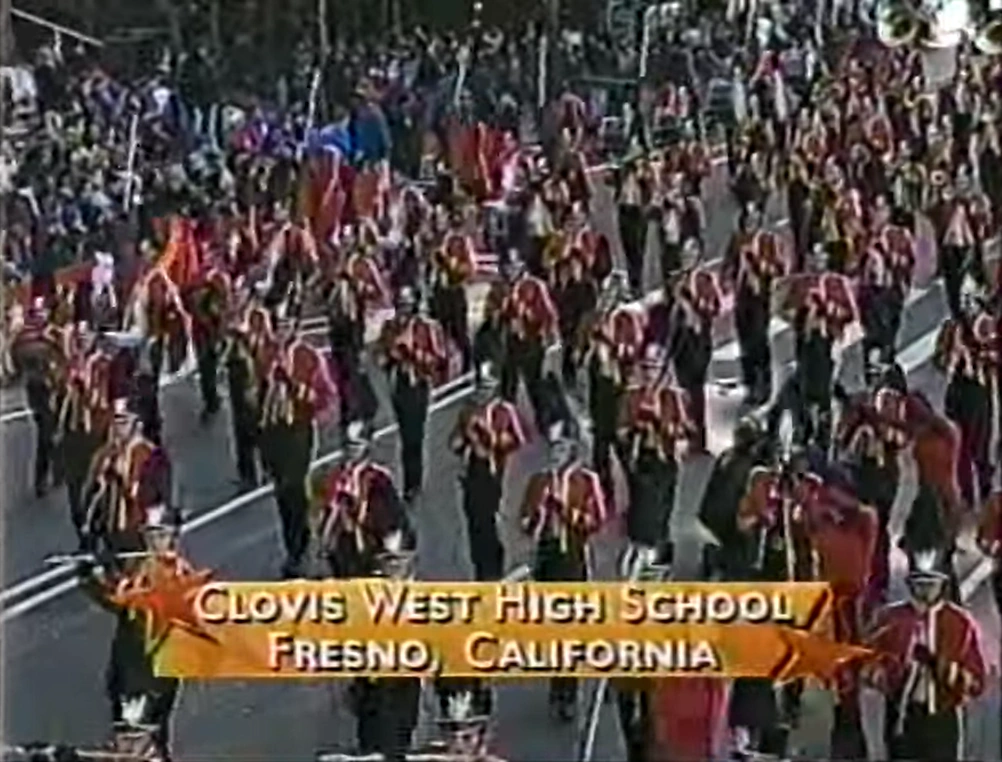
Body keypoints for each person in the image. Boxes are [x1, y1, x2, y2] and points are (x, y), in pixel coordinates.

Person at [76, 504, 186, 762]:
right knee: (140, 744)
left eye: (161, 534)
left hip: (152, 676)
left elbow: (131, 600)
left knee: (138, 746)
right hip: (129, 671)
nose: (155, 542)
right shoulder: (140, 567)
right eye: (150, 535)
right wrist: (90, 577)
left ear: (174, 536)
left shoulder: (175, 573)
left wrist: (105, 578)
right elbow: (116, 602)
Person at [519, 420, 608, 722]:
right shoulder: (539, 480)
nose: (555, 453)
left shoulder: (586, 480)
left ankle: (566, 693)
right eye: (553, 447)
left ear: (572, 450)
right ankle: (555, 683)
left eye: (561, 448)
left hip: (572, 557)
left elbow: (597, 520)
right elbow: (524, 522)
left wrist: (566, 511)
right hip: (546, 559)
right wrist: (538, 516)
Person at [862, 549, 987, 761]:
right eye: (920, 583)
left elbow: (977, 680)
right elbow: (868, 665)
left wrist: (943, 667)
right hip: (902, 714)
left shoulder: (959, 622)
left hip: (942, 715)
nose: (926, 590)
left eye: (932, 583)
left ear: (943, 585)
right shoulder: (890, 618)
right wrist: (892, 673)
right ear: (910, 585)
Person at [258, 335, 334, 578]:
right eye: (279, 322)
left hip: (298, 432)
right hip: (273, 431)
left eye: (288, 322)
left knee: (297, 490)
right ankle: (291, 547)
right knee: (281, 495)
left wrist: (295, 387)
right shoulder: (265, 350)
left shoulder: (309, 356)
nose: (283, 327)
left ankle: (302, 548)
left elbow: (326, 396)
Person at [616, 345, 694, 567]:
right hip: (641, 456)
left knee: (664, 502)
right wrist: (635, 427)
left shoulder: (674, 397)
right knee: (641, 501)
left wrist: (664, 426)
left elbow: (686, 429)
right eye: (646, 368)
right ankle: (639, 544)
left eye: (654, 368)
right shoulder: (631, 395)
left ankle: (660, 546)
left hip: (666, 457)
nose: (650, 373)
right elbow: (620, 429)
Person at [347, 530, 421, 762]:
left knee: (402, 728)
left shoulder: (423, 595)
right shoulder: (366, 592)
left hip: (407, 672)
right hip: (374, 675)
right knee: (375, 732)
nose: (396, 567)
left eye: (401, 559)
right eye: (390, 561)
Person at [449, 362, 526, 581]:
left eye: (488, 387)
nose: (483, 392)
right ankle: (479, 568)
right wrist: (464, 437)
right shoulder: (468, 410)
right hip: (470, 470)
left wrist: (492, 440)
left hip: (492, 470)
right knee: (473, 522)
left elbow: (518, 439)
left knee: (488, 520)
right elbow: (453, 443)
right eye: (481, 387)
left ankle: (494, 565)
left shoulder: (504, 411)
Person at [377, 286, 450, 503]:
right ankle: (410, 477)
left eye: (407, 305)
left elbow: (439, 358)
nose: (403, 310)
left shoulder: (427, 328)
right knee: (405, 436)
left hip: (418, 383)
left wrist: (415, 356)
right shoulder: (390, 327)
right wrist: (390, 356)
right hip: (399, 384)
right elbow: (381, 357)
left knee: (414, 437)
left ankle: (413, 483)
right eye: (400, 305)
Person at [317, 421, 413, 579]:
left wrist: (390, 537)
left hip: (372, 539)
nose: (352, 450)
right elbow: (327, 507)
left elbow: (391, 511)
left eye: (357, 445)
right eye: (349, 445)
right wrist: (325, 537)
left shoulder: (378, 477)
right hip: (344, 541)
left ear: (367, 446)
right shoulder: (336, 477)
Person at [722, 202, 786, 405]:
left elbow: (780, 268)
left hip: (760, 298)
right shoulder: (737, 240)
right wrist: (727, 280)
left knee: (759, 341)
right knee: (744, 342)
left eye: (754, 218)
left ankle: (764, 385)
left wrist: (761, 269)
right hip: (742, 298)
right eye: (747, 218)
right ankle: (749, 383)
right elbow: (728, 265)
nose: (750, 222)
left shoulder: (768, 241)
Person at [10, 297, 63, 497]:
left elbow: (16, 360)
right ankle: (46, 476)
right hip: (43, 388)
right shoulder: (41, 337)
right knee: (49, 432)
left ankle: (52, 473)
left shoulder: (25, 338)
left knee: (49, 431)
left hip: (42, 389)